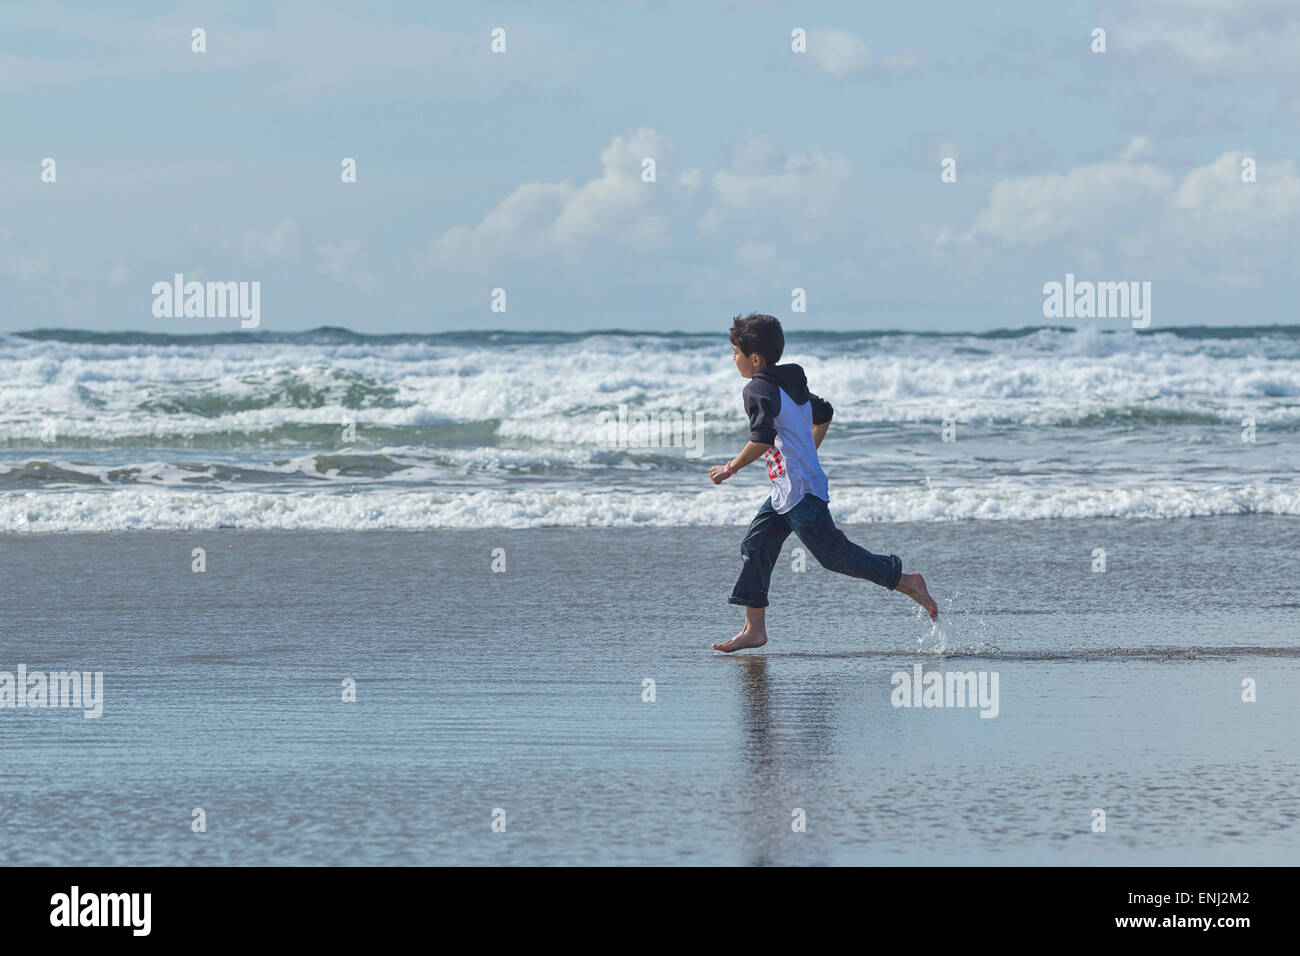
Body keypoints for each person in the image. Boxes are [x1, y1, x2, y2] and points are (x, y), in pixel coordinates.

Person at [709, 313, 938, 652]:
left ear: (754, 359)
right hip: (785, 492)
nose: (733, 359)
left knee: (834, 556)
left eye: (735, 353)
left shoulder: (757, 389)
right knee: (755, 547)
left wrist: (730, 467)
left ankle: (905, 580)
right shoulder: (791, 380)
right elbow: (824, 412)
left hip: (801, 493)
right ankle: (753, 630)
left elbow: (761, 438)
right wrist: (807, 450)